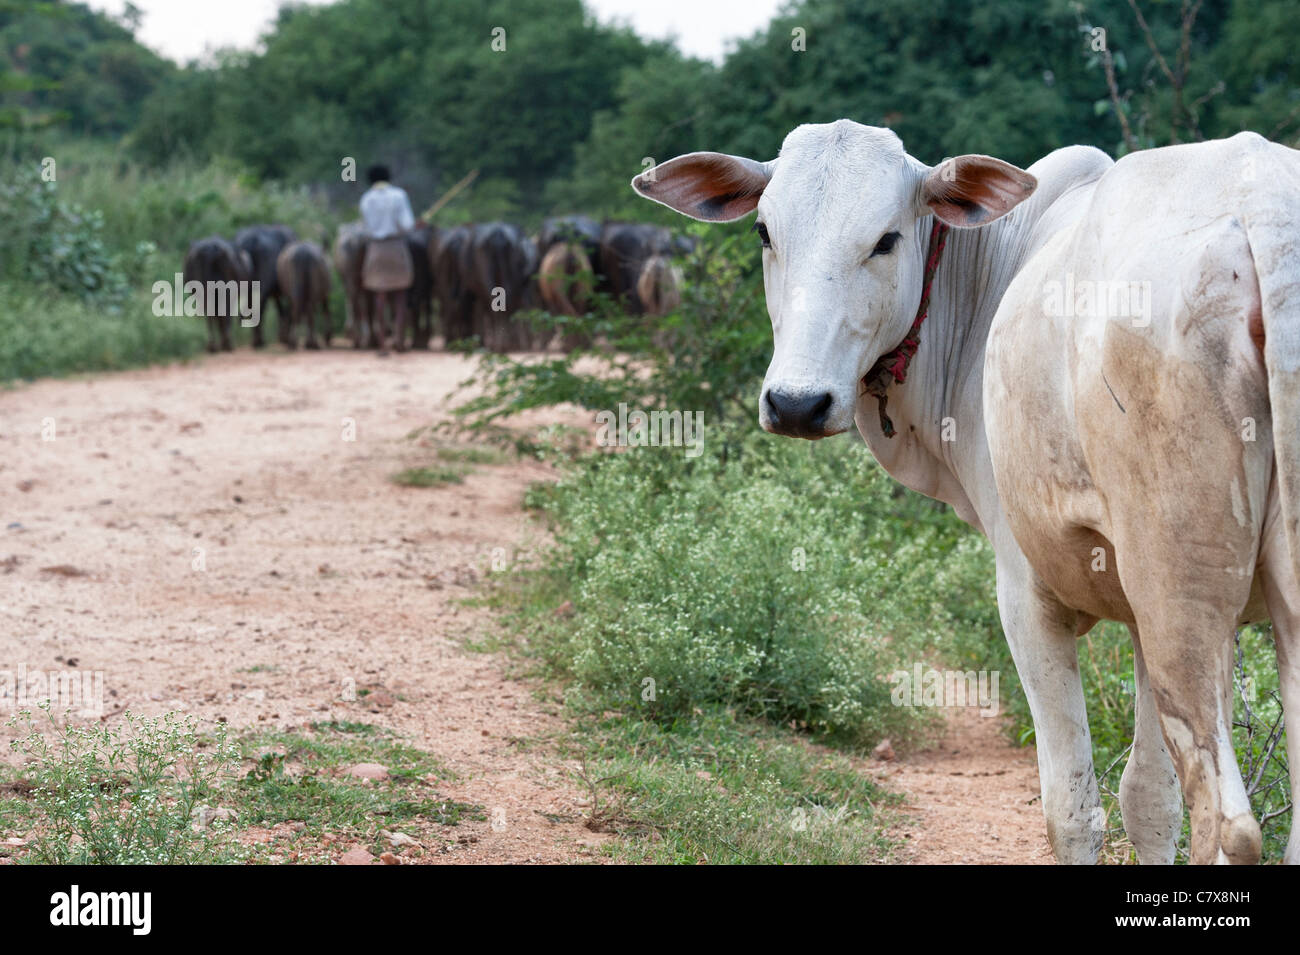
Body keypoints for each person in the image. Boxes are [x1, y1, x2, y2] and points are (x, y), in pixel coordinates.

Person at [359, 164, 416, 353]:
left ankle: (382, 343)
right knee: (400, 296)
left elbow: (365, 228)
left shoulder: (366, 199)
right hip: (396, 247)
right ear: (388, 177)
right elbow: (407, 225)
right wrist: (417, 225)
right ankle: (399, 340)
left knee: (379, 297)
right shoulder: (399, 196)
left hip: (375, 249)